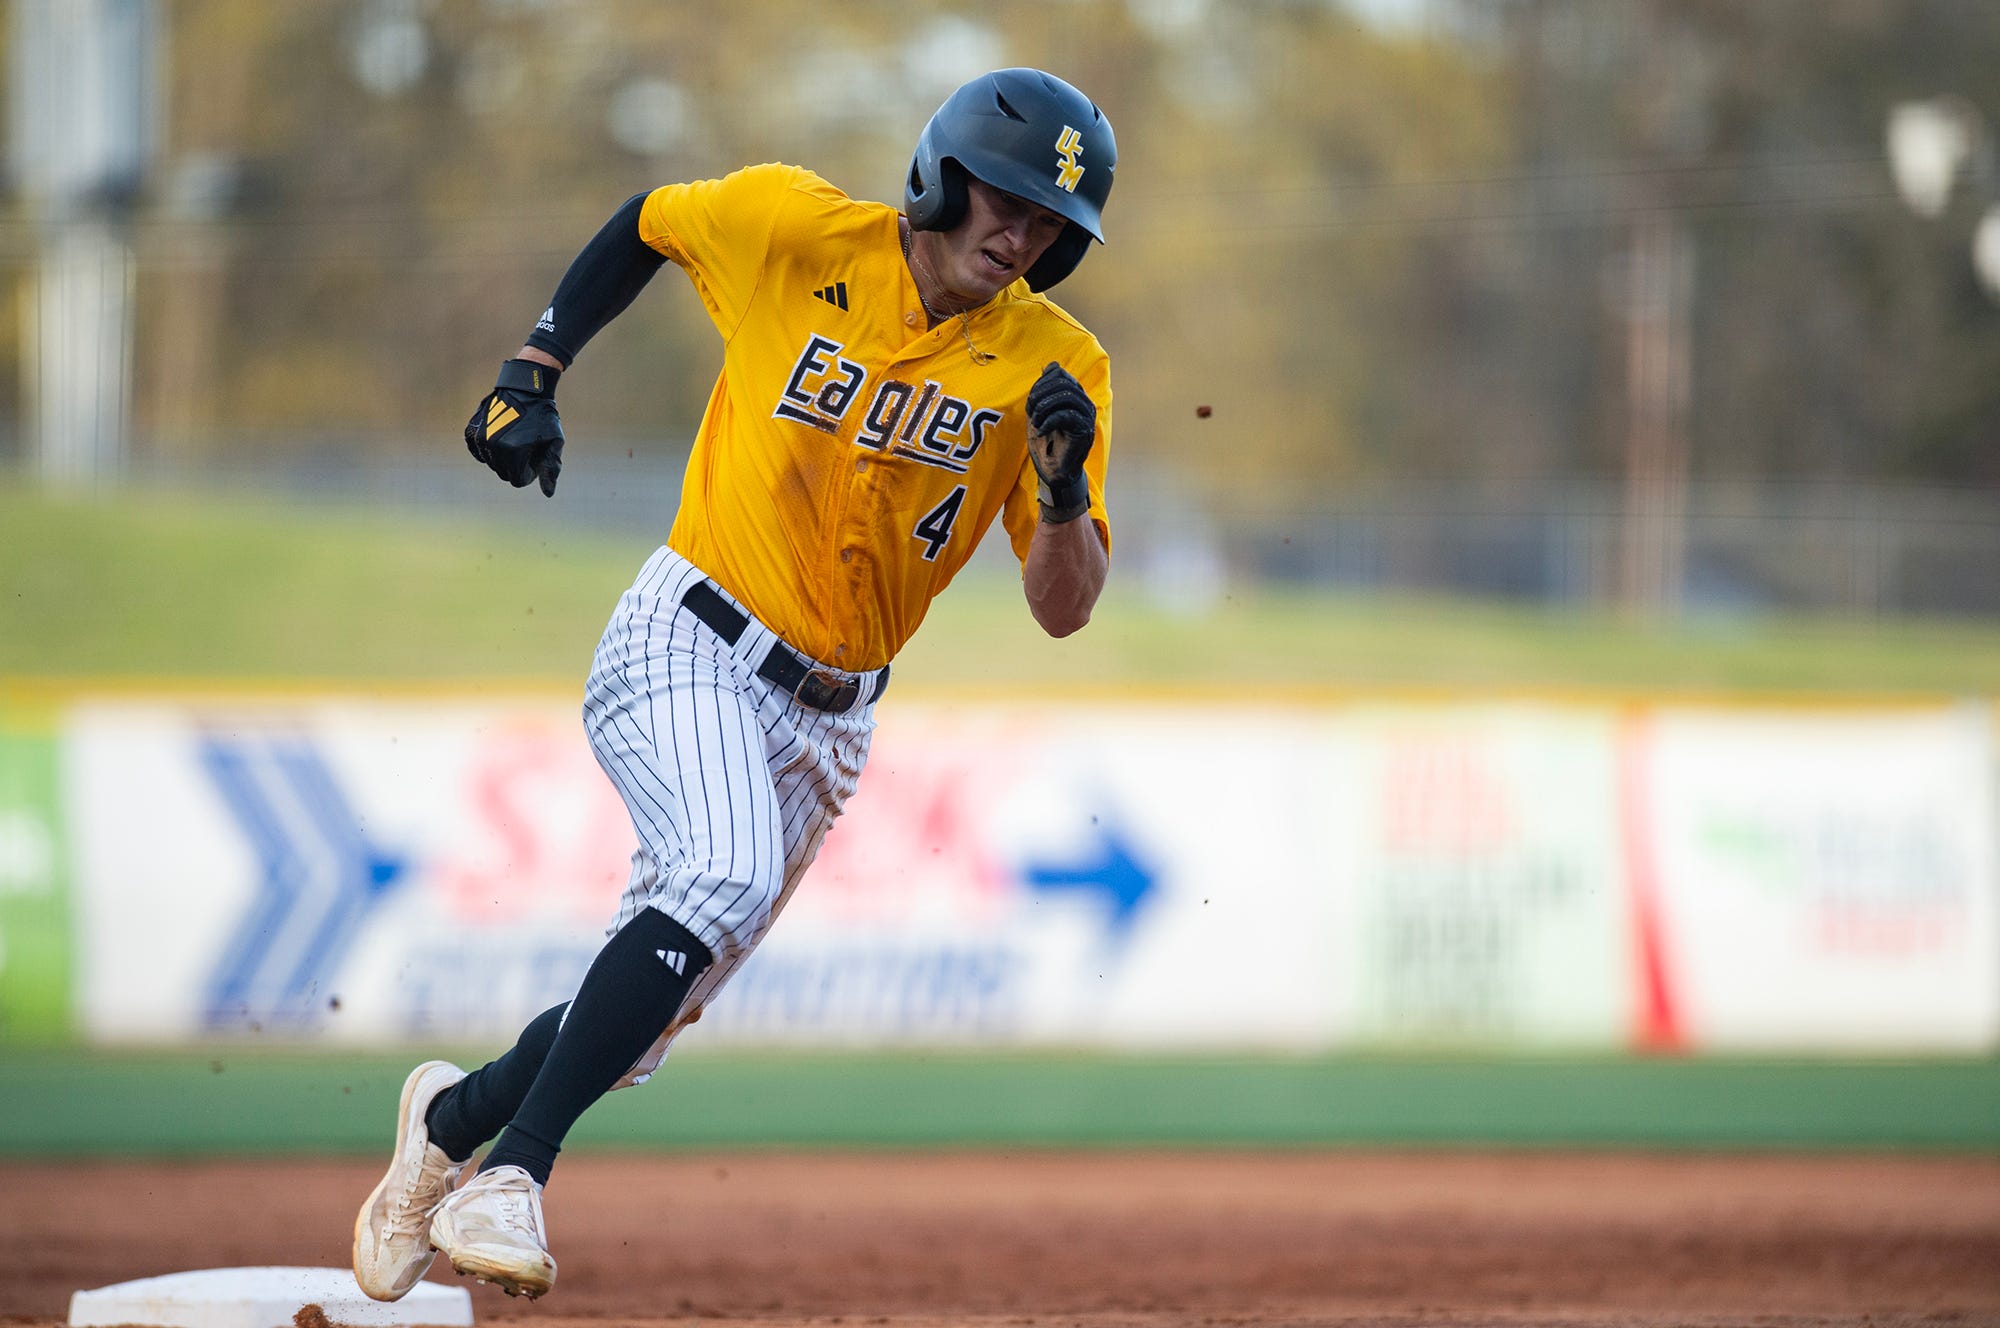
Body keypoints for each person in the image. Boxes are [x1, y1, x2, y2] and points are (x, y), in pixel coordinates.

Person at [351, 67, 1117, 1301]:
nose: (1017, 232)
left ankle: (449, 1122)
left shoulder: (1054, 367)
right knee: (720, 871)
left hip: (832, 719)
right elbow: (651, 217)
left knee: (642, 1025)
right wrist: (535, 362)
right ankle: (515, 1175)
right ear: (940, 173)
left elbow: (1063, 607)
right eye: (1003, 197)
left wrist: (1067, 487)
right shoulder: (795, 228)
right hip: (691, 631)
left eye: (1046, 224)